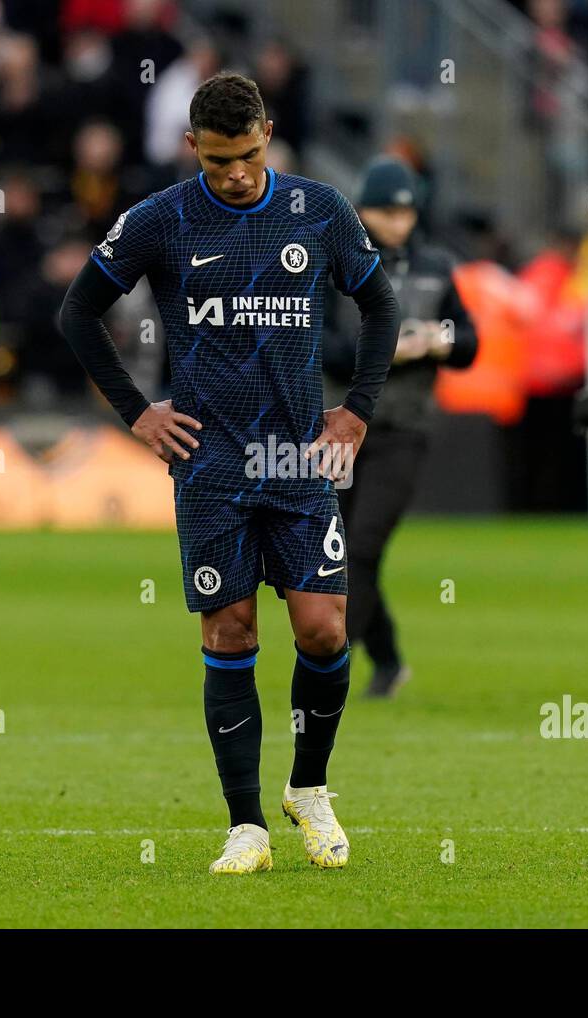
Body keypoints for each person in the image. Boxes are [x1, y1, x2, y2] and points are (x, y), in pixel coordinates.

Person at [57, 73, 398, 873]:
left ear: (268, 134)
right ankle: (246, 824)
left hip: (297, 461)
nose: (235, 174)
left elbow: (381, 304)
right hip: (209, 465)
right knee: (229, 631)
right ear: (191, 149)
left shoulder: (319, 211)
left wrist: (357, 411)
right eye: (217, 161)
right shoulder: (162, 220)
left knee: (324, 629)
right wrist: (138, 411)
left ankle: (308, 789)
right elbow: (77, 312)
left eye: (246, 155)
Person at [322, 156, 477, 699]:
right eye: (387, 212)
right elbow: (324, 349)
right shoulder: (336, 260)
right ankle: (387, 660)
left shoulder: (436, 264)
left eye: (406, 213)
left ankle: (331, 660)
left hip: (402, 428)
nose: (398, 222)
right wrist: (389, 348)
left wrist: (443, 341)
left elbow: (471, 343)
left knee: (362, 548)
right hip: (341, 428)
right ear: (363, 210)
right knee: (336, 550)